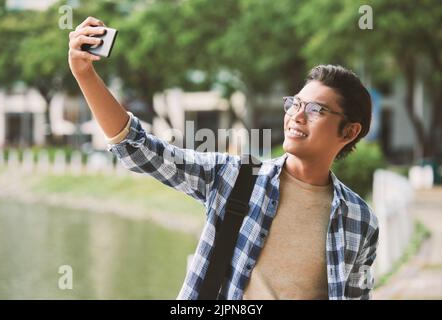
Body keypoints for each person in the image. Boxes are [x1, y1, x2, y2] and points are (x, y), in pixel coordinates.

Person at [68, 16, 379, 300]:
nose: (296, 116)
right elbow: (138, 149)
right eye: (294, 103)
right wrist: (85, 75)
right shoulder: (236, 177)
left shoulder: (360, 220)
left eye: (315, 110)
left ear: (349, 132)